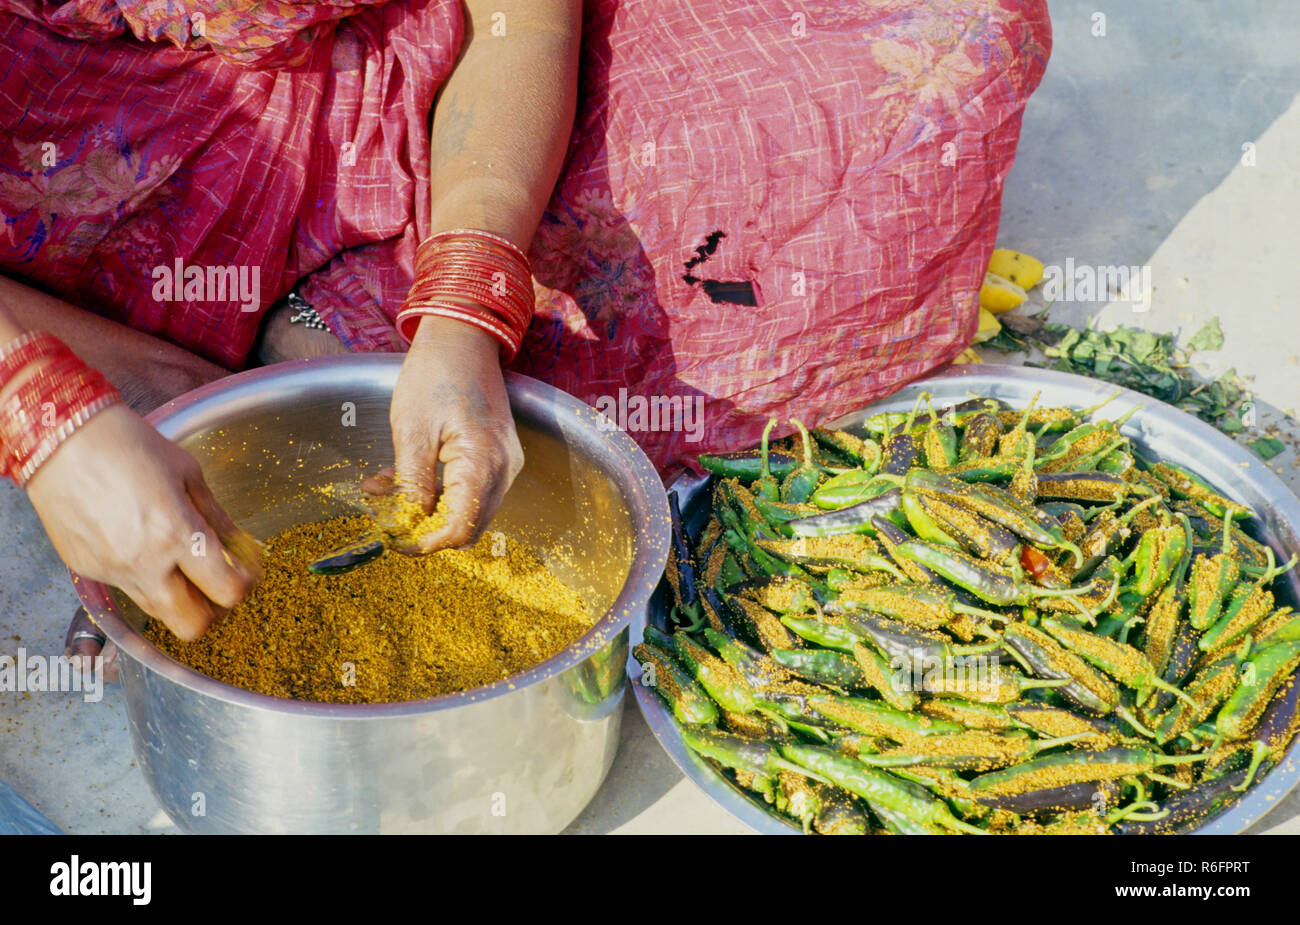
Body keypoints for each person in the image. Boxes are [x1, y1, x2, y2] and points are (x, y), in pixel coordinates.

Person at [0, 0, 1052, 678]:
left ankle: (331, 325)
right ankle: (155, 368)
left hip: (415, 81)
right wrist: (44, 414)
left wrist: (466, 297)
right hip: (59, 177)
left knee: (949, 45)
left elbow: (526, 28)